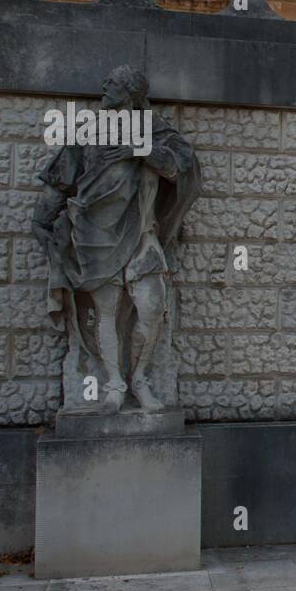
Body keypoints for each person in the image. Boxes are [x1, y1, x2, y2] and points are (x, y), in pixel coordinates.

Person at [32, 65, 200, 413]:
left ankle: (140, 379)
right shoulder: (89, 131)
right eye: (106, 82)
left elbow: (180, 167)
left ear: (131, 92)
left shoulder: (154, 129)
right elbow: (60, 180)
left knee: (151, 308)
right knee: (104, 312)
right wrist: (42, 219)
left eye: (114, 84)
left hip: (142, 234)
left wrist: (138, 150)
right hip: (96, 235)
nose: (105, 87)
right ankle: (114, 384)